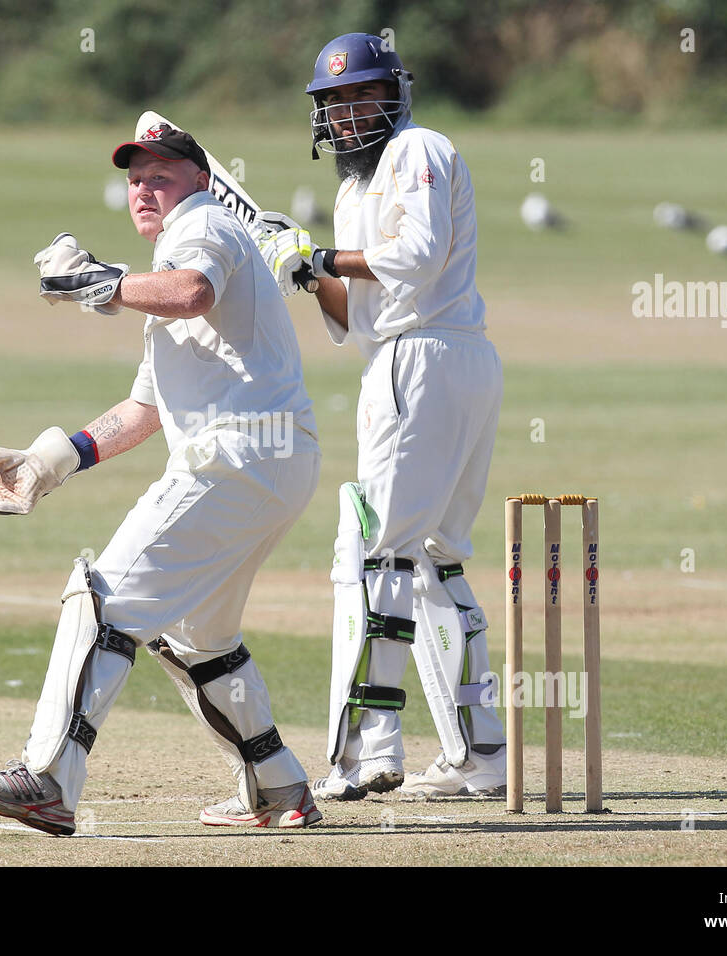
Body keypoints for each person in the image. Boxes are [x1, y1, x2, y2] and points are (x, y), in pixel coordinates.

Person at [0, 122, 323, 835]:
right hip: (275, 459)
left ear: (200, 179)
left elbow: (191, 292)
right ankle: (279, 787)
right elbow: (145, 409)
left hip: (238, 456)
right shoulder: (176, 250)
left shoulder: (203, 224)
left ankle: (49, 776)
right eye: (135, 178)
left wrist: (103, 281)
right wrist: (52, 460)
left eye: (162, 174)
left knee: (101, 598)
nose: (146, 188)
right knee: (195, 635)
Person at [256, 34, 507, 800]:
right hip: (413, 360)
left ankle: (370, 749)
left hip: (429, 358)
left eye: (359, 96)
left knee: (380, 555)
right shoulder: (350, 189)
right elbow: (358, 321)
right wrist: (302, 271)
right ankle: (483, 751)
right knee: (433, 556)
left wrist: (328, 256)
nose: (344, 113)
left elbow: (421, 253)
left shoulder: (418, 148)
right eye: (332, 102)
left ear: (392, 96)